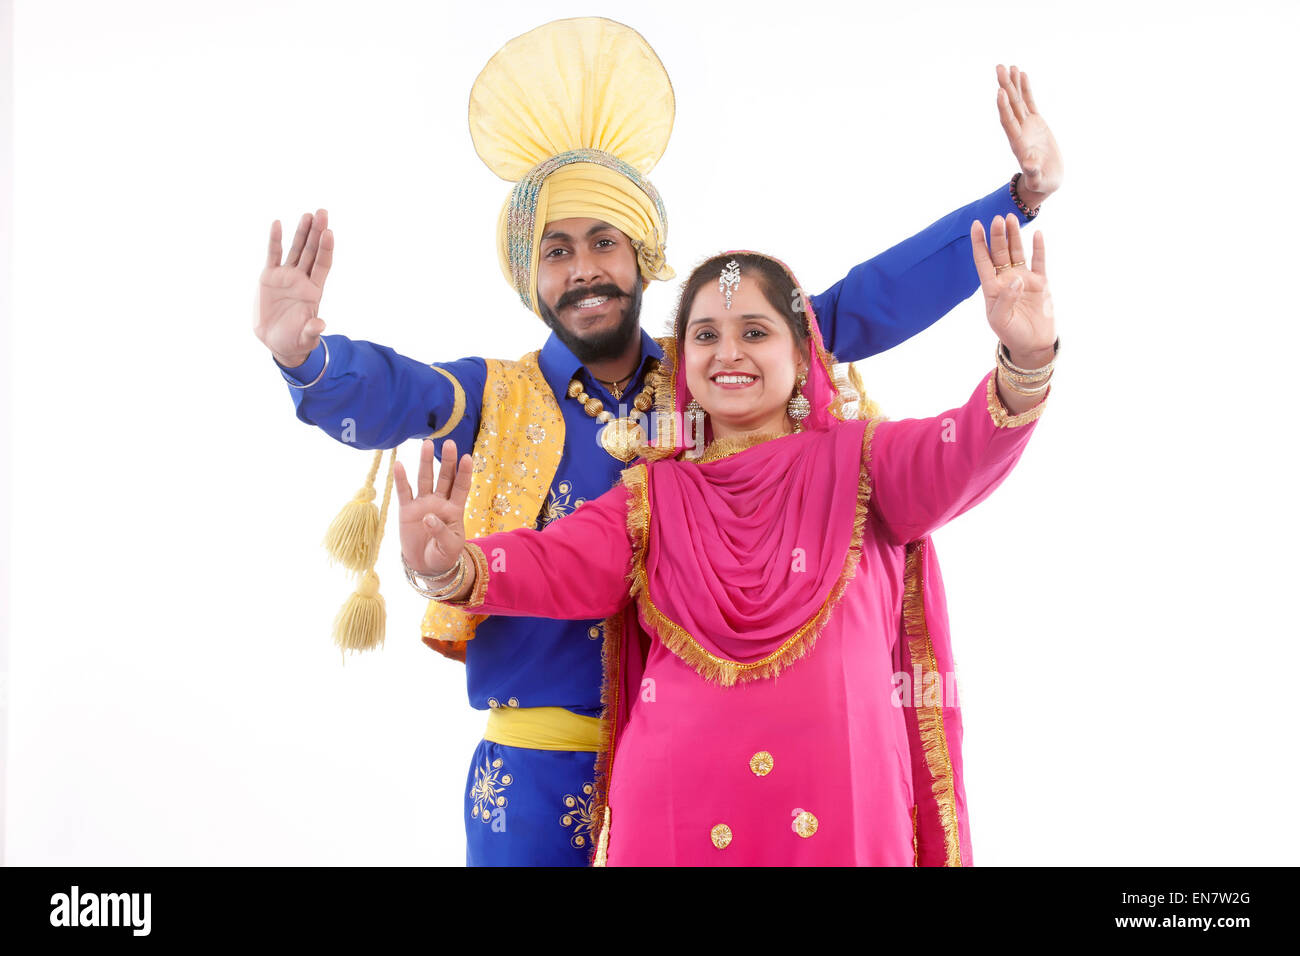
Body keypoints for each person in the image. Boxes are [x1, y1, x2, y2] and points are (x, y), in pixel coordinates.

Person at [255, 16, 1064, 865]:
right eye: (558, 250)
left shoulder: (716, 364)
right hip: (541, 760)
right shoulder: (496, 393)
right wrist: (307, 358)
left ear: (644, 258)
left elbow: (862, 301)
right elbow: (400, 392)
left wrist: (1016, 204)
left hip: (703, 750)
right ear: (530, 274)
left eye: (605, 242)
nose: (583, 269)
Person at [396, 212, 1056, 866]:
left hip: (843, 819)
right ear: (685, 362)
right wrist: (453, 565)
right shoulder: (651, 497)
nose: (729, 352)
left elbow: (966, 448)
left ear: (802, 356)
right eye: (706, 334)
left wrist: (1024, 360)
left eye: (755, 331)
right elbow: (555, 563)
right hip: (675, 823)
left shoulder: (868, 465)